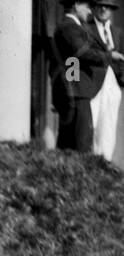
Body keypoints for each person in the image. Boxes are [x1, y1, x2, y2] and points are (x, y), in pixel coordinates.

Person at [52, 0, 116, 152]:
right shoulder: (69, 26)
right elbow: (81, 52)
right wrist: (109, 56)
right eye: (87, 6)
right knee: (81, 141)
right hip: (76, 92)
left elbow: (72, 61)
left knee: (71, 141)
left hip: (75, 90)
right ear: (75, 5)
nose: (89, 11)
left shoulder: (71, 26)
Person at [88, 1, 124, 159]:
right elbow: (73, 58)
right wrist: (72, 85)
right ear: (93, 7)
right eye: (100, 5)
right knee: (90, 128)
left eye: (107, 6)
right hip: (91, 86)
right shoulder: (84, 28)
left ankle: (105, 165)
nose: (103, 9)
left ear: (111, 10)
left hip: (113, 85)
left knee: (108, 128)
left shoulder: (117, 32)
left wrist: (121, 78)